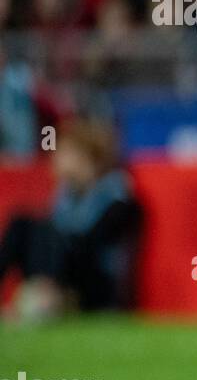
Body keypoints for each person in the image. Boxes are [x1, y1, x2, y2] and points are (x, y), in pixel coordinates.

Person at [0, 120, 140, 320]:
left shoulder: (117, 196)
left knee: (52, 233)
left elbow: (92, 244)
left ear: (89, 159)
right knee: (22, 223)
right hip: (60, 273)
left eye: (67, 154)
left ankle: (50, 298)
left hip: (94, 286)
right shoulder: (66, 194)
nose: (57, 159)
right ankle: (43, 294)